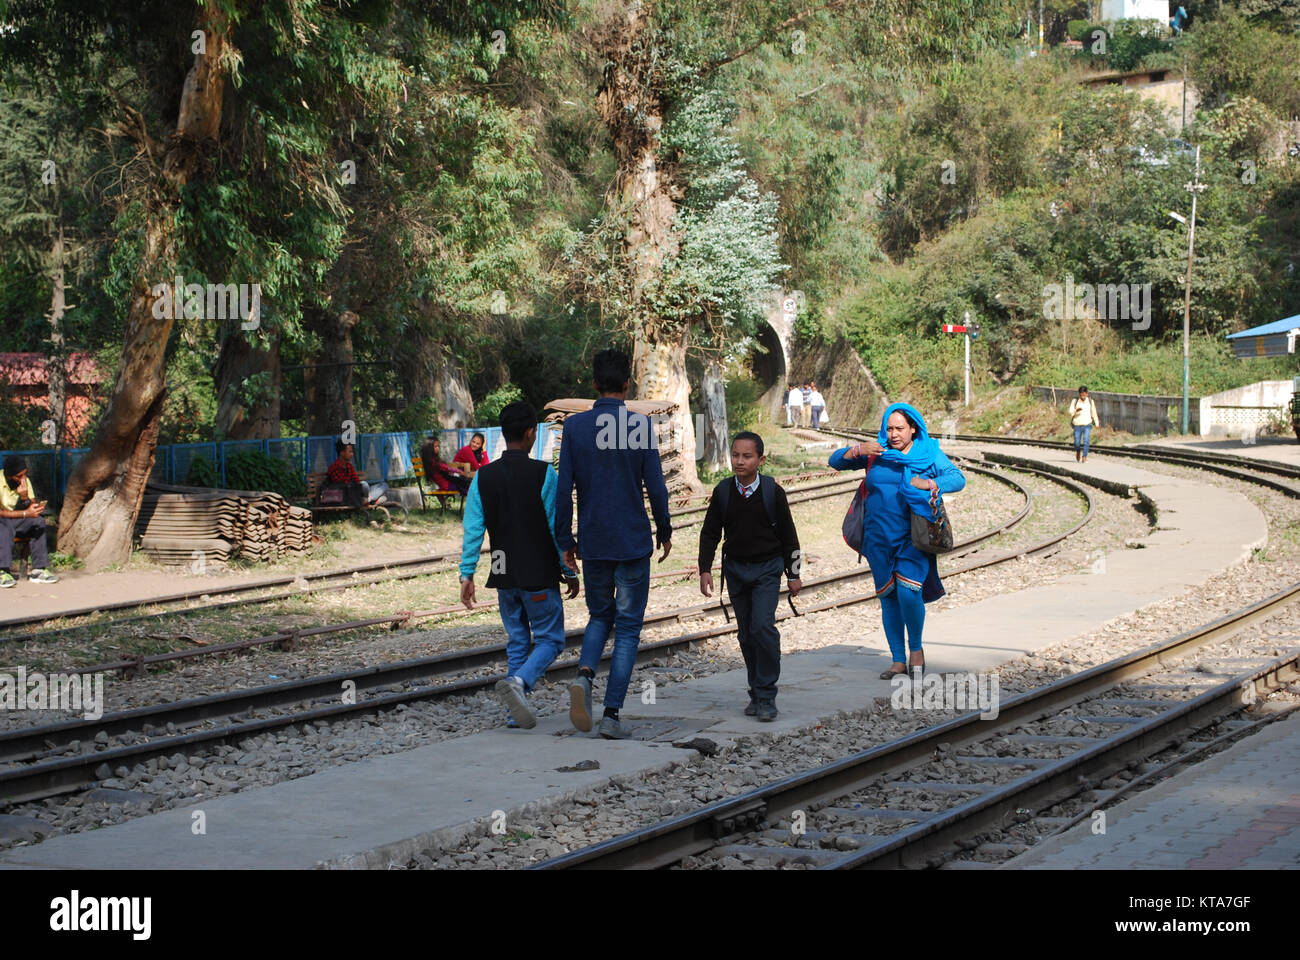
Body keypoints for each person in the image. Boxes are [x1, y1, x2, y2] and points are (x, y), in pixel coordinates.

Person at [558, 348, 672, 739]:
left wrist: (565, 540)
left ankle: (585, 677)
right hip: (633, 541)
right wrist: (665, 528)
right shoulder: (640, 426)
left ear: (593, 384)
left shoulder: (573, 428)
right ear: (628, 384)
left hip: (594, 542)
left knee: (599, 617)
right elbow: (656, 487)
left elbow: (563, 490)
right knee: (627, 629)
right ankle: (611, 716)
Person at [459, 402, 580, 729]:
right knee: (551, 640)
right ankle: (520, 683)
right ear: (530, 434)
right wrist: (568, 569)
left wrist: (466, 574)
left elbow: (473, 530)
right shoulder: (544, 474)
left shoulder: (483, 477)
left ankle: (515, 715)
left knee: (517, 641)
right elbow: (557, 528)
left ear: (502, 433)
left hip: (502, 572)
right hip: (537, 572)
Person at [829, 404, 965, 679]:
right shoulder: (876, 452)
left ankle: (916, 649)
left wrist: (929, 484)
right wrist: (858, 450)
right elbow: (835, 461)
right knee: (888, 597)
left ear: (913, 428)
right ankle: (897, 660)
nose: (893, 434)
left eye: (899, 428)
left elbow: (957, 478)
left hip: (913, 536)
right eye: (889, 428)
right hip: (877, 537)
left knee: (908, 591)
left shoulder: (927, 454)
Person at [698, 431, 802, 721]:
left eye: (747, 456)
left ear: (761, 459)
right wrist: (705, 568)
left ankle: (767, 694)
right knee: (745, 634)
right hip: (736, 570)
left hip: (768, 569)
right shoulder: (723, 492)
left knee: (762, 627)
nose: (739, 461)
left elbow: (789, 536)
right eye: (735, 455)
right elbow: (710, 534)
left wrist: (793, 574)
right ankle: (755, 692)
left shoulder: (772, 492)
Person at [0, 456, 59, 586]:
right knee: (3, 523)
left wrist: (25, 497)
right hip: (3, 523)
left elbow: (31, 505)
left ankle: (39, 570)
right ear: (9, 476)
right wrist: (26, 513)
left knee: (38, 522)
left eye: (25, 474)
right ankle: (2, 571)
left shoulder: (25, 481)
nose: (23, 479)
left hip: (16, 522)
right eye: (18, 476)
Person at [324, 440, 368, 508]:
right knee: (365, 485)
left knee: (383, 486)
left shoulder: (349, 466)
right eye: (350, 452)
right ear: (342, 453)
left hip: (353, 492)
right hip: (343, 496)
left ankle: (368, 499)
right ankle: (368, 500)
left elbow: (356, 481)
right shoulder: (334, 467)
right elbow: (339, 485)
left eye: (352, 452)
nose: (352, 454)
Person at [1069, 386, 1099, 463]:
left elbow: (1093, 412)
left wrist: (1096, 422)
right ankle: (1078, 451)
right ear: (1079, 394)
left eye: (1084, 394)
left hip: (1087, 424)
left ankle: (1084, 456)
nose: (1083, 396)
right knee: (1077, 442)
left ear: (1087, 394)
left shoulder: (1090, 401)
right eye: (1081, 394)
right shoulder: (1075, 401)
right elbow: (1070, 412)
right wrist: (1076, 410)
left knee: (1086, 441)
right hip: (1077, 425)